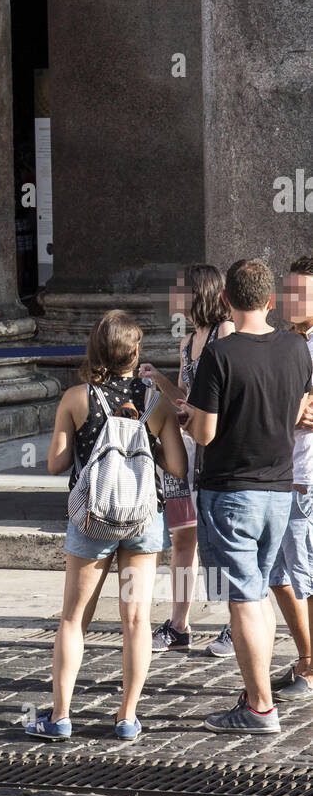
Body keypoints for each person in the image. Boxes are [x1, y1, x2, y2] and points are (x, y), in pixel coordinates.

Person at [25, 310, 186, 742]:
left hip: (91, 522)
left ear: (95, 349)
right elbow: (177, 466)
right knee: (135, 620)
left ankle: (60, 716)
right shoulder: (157, 402)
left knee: (73, 619)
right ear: (136, 352)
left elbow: (56, 463)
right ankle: (127, 717)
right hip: (141, 521)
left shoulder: (77, 398)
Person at [185, 258, 313, 734]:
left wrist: (186, 418)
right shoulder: (297, 348)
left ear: (225, 301)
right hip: (280, 491)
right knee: (255, 593)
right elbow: (299, 408)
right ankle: (256, 691)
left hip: (229, 492)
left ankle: (260, 707)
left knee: (242, 599)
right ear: (271, 300)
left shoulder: (220, 354)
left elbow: (204, 432)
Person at [139, 265, 234, 656]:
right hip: (187, 451)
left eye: (180, 291)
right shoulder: (189, 339)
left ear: (200, 293)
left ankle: (235, 621)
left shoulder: (223, 333)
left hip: (215, 450)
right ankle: (179, 625)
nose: (173, 298)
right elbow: (187, 395)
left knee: (223, 542)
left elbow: (228, 397)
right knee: (182, 538)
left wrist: (195, 416)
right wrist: (159, 380)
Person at [268, 257, 313, 702]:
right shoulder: (288, 341)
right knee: (279, 574)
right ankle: (305, 657)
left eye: (302, 292)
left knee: (306, 575)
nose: (291, 299)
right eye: (289, 290)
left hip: (305, 477)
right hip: (282, 473)